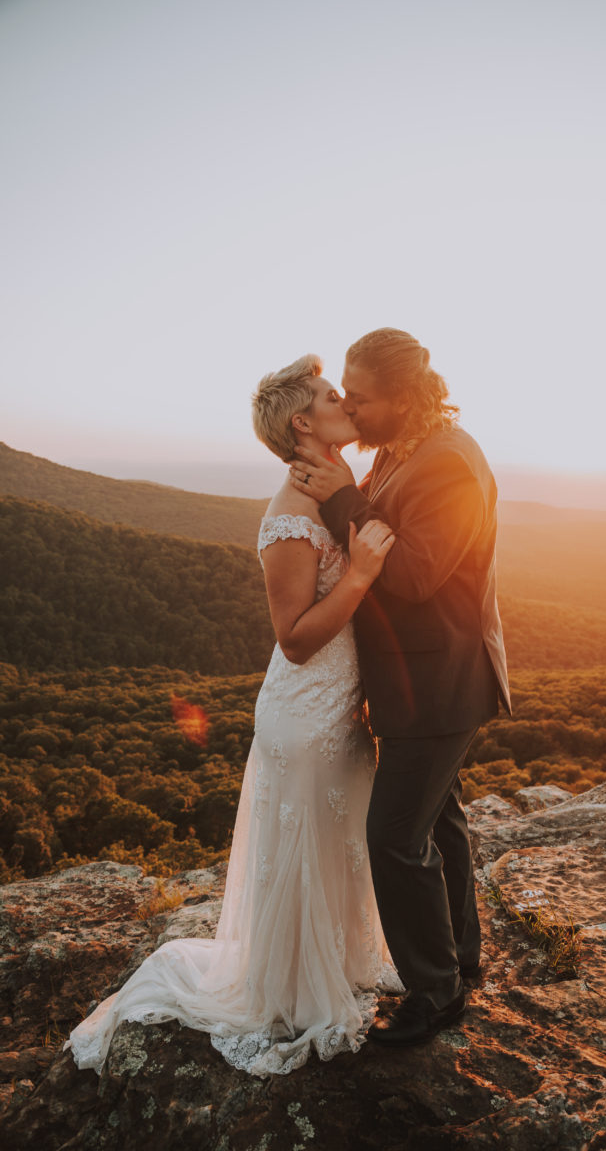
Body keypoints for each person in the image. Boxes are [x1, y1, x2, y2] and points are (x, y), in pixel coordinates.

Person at [65, 354, 398, 1077]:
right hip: (304, 712)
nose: (345, 399)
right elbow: (297, 638)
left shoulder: (336, 487)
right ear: (303, 422)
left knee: (337, 840)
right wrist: (366, 574)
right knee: (307, 846)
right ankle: (290, 988)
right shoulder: (288, 514)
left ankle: (334, 963)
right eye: (329, 394)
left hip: (341, 710)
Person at [289, 328, 511, 1046]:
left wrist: (343, 501)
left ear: (405, 398)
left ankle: (436, 995)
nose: (351, 406)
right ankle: (460, 959)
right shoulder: (399, 445)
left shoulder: (448, 463)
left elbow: (413, 574)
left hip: (443, 681)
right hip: (415, 682)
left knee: (391, 836)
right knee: (437, 819)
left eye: (362, 396)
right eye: (345, 392)